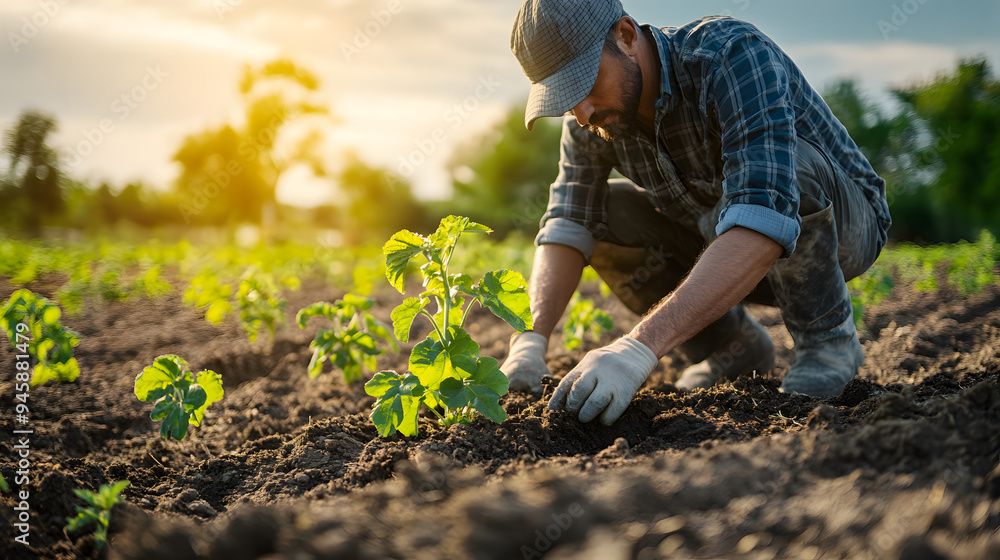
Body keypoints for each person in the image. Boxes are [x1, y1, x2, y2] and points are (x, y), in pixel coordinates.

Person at [501, 0, 891, 426]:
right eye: (563, 97)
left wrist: (637, 348)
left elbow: (765, 208)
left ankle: (826, 342)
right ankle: (731, 348)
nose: (581, 112)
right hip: (717, 236)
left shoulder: (730, 56)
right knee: (598, 215)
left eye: (585, 82)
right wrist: (529, 340)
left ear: (626, 37)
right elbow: (566, 221)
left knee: (788, 170)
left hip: (843, 228)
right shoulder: (591, 119)